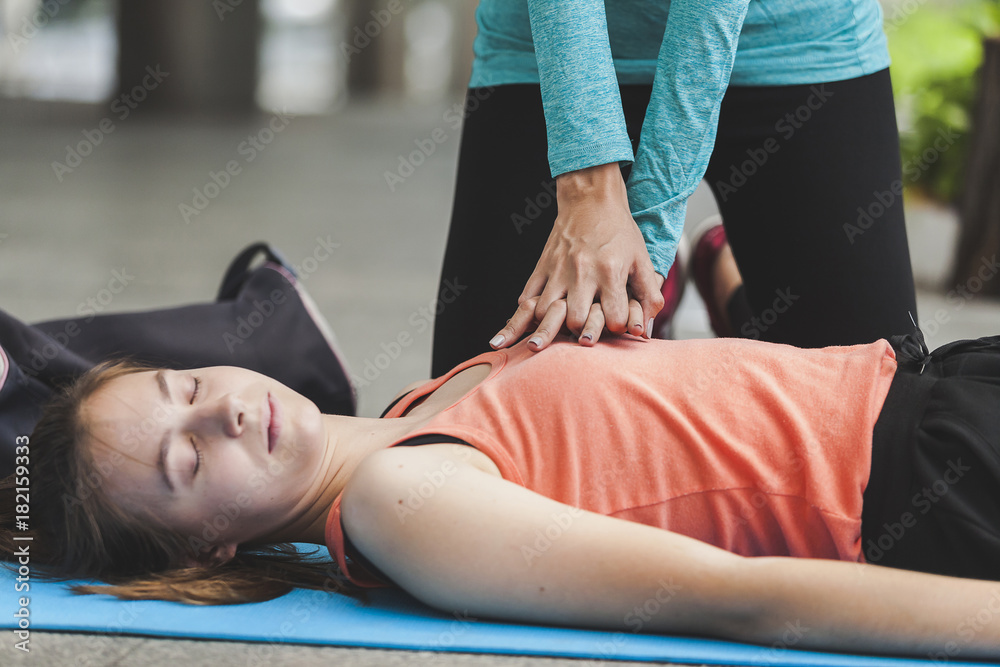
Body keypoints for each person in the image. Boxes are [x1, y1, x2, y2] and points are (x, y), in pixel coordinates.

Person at [2, 259, 999, 658]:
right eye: (184, 464)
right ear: (208, 550)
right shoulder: (404, 497)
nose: (220, 413)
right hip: (941, 477)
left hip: (941, 392)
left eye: (183, 390)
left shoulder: (412, 410)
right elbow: (738, 595)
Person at [431, 0, 918, 376]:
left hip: (796, 39)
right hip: (551, 43)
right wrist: (588, 192)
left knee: (882, 417)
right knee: (462, 427)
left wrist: (642, 264)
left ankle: (721, 276)